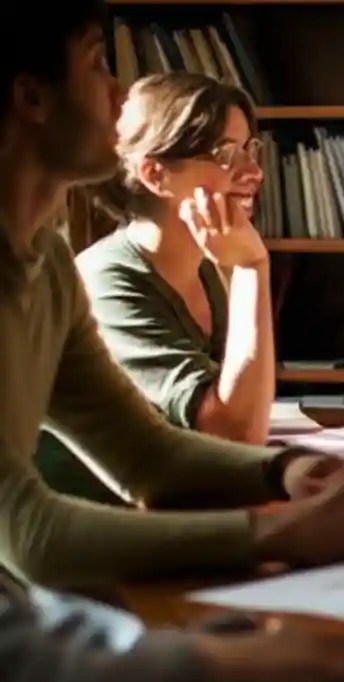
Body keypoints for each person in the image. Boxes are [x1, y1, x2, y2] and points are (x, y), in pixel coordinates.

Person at [0, 3, 344, 682]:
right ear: (30, 96)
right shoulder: (99, 271)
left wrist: (286, 471)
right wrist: (278, 530)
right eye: (97, 62)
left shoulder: (47, 262)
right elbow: (27, 536)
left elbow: (145, 455)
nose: (121, 94)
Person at [38, 72, 275, 502]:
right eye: (226, 153)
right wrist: (252, 268)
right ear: (155, 173)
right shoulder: (108, 283)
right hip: (101, 534)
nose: (253, 171)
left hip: (175, 508)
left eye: (250, 150)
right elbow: (236, 437)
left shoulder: (208, 267)